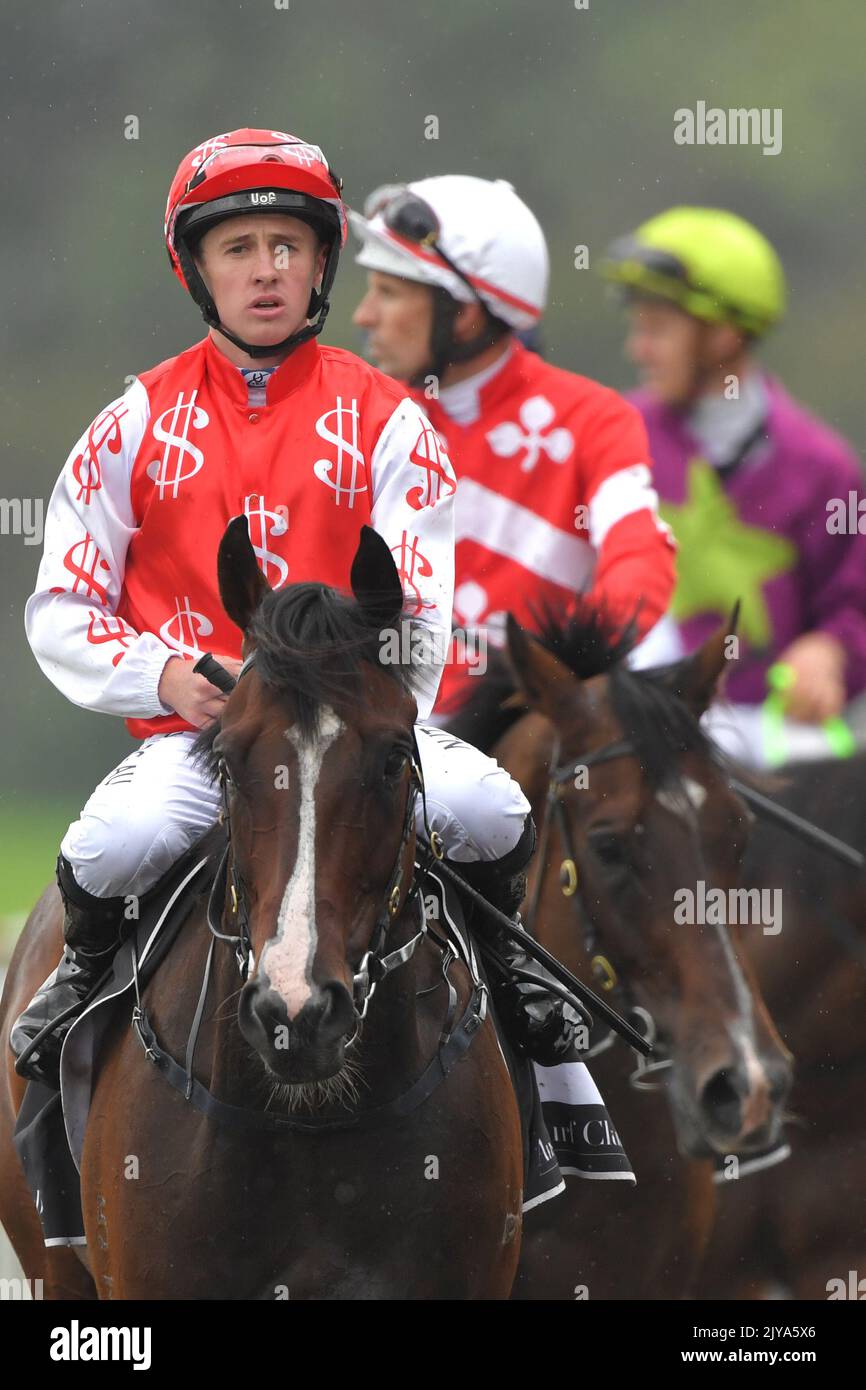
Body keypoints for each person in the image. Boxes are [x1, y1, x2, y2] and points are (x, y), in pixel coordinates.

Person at [12, 129, 581, 1088]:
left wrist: (358, 697)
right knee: (114, 842)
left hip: (354, 735)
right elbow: (61, 608)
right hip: (205, 740)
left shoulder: (396, 421)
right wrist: (165, 674)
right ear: (198, 269)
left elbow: (418, 612)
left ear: (321, 262)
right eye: (238, 249)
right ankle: (76, 982)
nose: (266, 271)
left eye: (289, 247)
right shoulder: (130, 423)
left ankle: (519, 981)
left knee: (492, 805)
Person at [349, 176, 677, 718]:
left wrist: (564, 672)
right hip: (371, 732)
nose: (364, 317)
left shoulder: (594, 419)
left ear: (466, 313)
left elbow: (640, 557)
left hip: (517, 733)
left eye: (388, 293)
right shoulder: (362, 415)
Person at [601, 206, 866, 766]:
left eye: (657, 329)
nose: (638, 349)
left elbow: (854, 606)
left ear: (722, 335)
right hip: (625, 757)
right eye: (637, 327)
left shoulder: (826, 469)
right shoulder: (609, 439)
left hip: (773, 772)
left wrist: (832, 652)